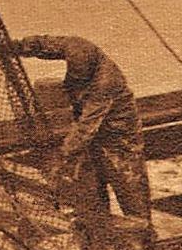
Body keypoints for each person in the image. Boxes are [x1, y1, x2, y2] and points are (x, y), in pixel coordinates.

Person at [11, 35, 152, 239]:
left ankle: (145, 236)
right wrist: (17, 47)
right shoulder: (75, 46)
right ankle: (102, 234)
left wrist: (64, 154)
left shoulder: (105, 85)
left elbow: (86, 128)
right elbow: (44, 45)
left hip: (119, 140)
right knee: (92, 187)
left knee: (130, 187)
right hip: (92, 137)